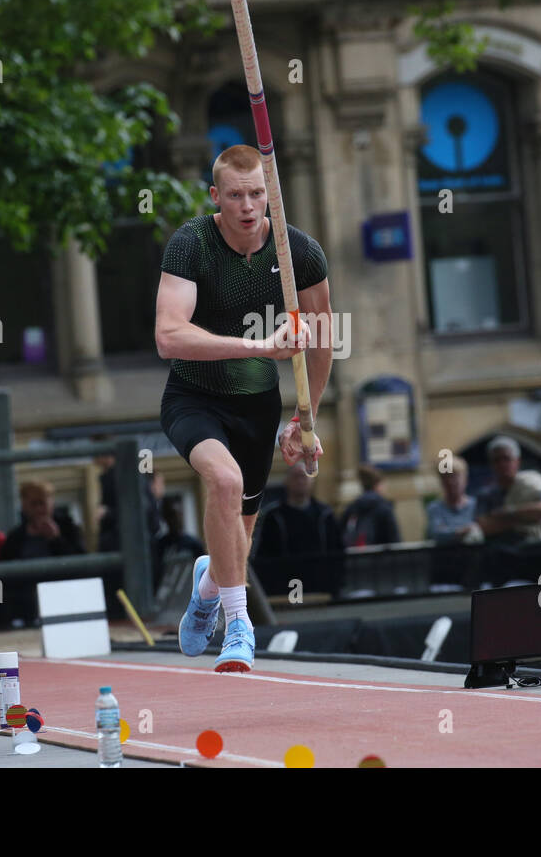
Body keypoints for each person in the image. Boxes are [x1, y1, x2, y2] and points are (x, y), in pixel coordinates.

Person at [155, 143, 332, 673]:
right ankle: (240, 628)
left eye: (258, 193)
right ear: (217, 196)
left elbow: (321, 339)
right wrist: (259, 348)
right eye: (236, 195)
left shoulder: (299, 253)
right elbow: (169, 336)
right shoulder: (191, 244)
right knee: (225, 484)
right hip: (194, 398)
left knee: (239, 538)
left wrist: (305, 418)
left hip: (257, 406)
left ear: (270, 195)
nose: (248, 205)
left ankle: (209, 586)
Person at [0, 480, 84, 624]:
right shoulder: (15, 537)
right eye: (34, 504)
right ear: (24, 506)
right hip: (27, 602)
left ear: (51, 503)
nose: (39, 509)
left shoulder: (68, 527)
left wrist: (56, 539)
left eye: (42, 503)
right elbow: (5, 572)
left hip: (65, 594)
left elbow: (81, 564)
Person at [255, 462, 343, 596]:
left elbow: (337, 550)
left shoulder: (325, 514)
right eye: (296, 477)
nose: (300, 481)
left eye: (304, 476)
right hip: (286, 587)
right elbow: (264, 555)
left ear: (312, 481)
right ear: (287, 481)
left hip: (321, 585)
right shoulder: (273, 516)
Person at [473, 437, 541, 583]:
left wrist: (506, 513)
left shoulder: (531, 484)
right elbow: (484, 526)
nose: (502, 464)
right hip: (500, 563)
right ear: (491, 464)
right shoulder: (485, 494)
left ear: (517, 461)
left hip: (534, 558)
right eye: (497, 460)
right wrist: (525, 518)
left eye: (507, 459)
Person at [425, 456, 482, 587]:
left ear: (465, 479)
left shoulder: (476, 505)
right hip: (444, 573)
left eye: (454, 476)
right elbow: (437, 534)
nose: (450, 481)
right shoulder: (435, 508)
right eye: (445, 477)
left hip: (473, 573)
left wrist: (451, 533)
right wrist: (463, 532)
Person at [339, 464, 402, 549]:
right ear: (377, 485)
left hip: (357, 558)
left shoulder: (352, 507)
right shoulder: (384, 508)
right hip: (380, 558)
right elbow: (395, 540)